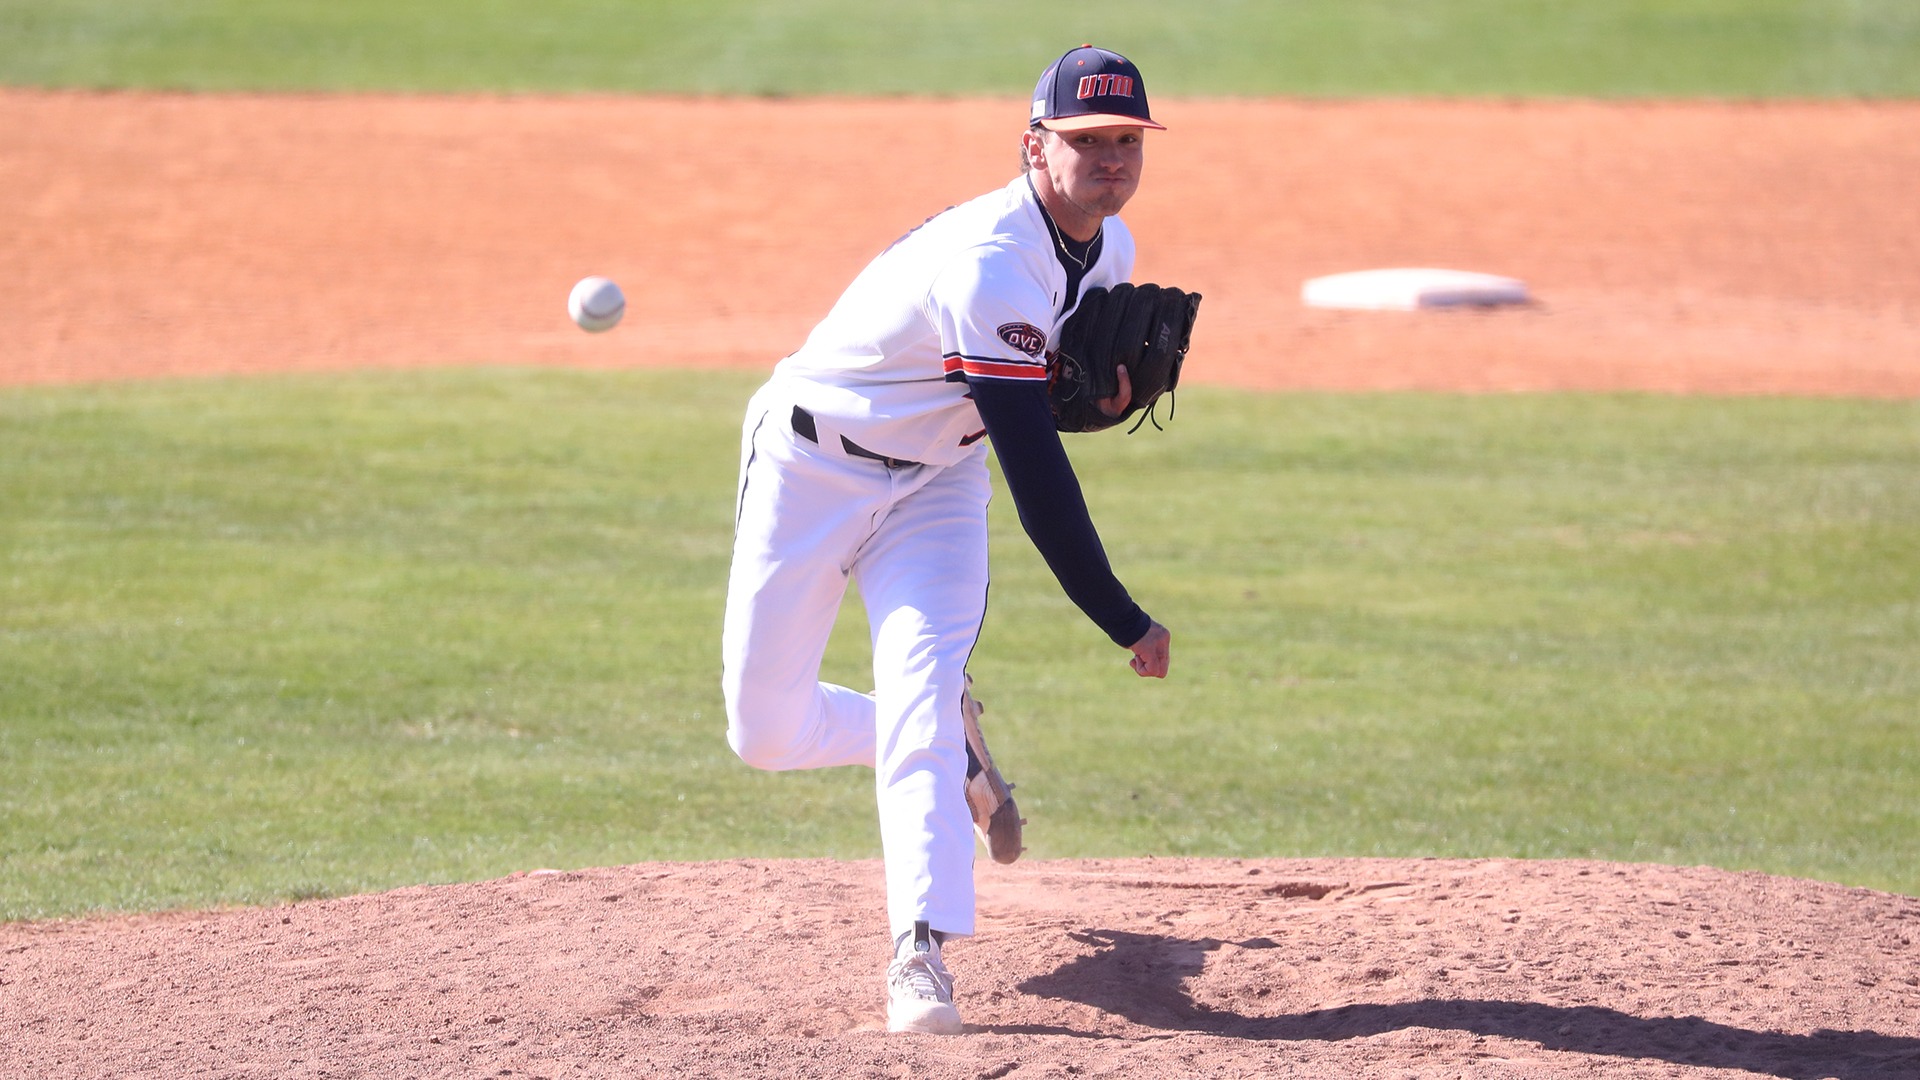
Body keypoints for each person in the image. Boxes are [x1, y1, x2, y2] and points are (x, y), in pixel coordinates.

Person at [720, 44, 1174, 1035]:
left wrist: (1092, 396)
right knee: (766, 733)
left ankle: (916, 950)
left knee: (919, 685)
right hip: (811, 468)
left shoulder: (1116, 249)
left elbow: (1034, 407)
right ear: (1033, 146)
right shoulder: (990, 261)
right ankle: (953, 749)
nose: (1110, 158)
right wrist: (1120, 615)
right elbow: (1037, 472)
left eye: (1126, 140)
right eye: (1086, 139)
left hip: (936, 485)